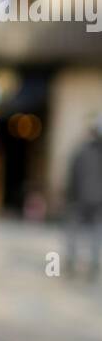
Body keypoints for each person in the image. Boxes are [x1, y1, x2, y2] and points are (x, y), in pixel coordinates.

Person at [64, 115, 102, 279]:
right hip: (98, 200)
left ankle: (71, 263)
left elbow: (72, 175)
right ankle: (93, 266)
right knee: (95, 233)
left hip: (79, 198)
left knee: (74, 232)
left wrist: (69, 196)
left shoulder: (80, 151)